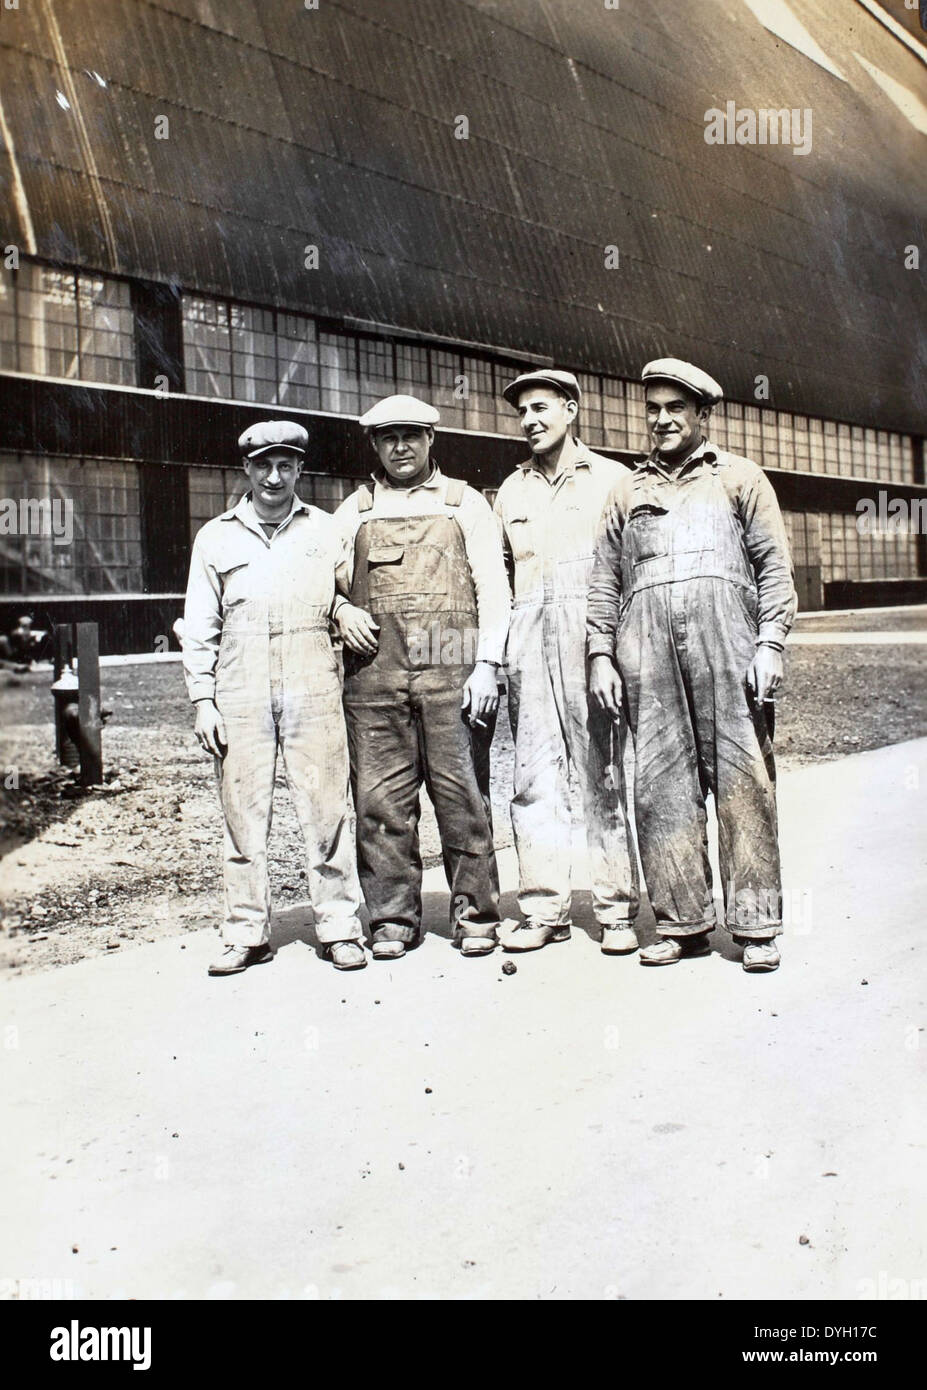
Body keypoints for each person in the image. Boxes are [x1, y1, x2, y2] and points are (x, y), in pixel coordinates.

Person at [587, 358, 798, 972]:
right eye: (652, 409)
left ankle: (757, 928)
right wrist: (602, 654)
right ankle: (683, 924)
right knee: (659, 788)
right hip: (646, 660)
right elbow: (603, 582)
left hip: (728, 651)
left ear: (702, 414)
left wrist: (770, 645)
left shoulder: (741, 479)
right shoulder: (627, 490)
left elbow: (775, 571)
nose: (661, 419)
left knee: (743, 784)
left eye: (675, 408)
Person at [182, 419, 367, 975]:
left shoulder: (326, 530)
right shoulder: (215, 536)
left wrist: (341, 609)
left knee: (327, 806)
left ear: (299, 470)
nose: (274, 476)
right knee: (242, 811)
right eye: (263, 465)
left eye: (285, 465)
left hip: (312, 673)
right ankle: (246, 931)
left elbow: (344, 594)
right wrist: (202, 700)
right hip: (241, 682)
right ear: (247, 469)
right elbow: (199, 624)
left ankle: (338, 926)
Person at [333, 394, 510, 960]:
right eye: (388, 438)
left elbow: (495, 590)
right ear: (374, 446)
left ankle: (476, 913)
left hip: (452, 671)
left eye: (411, 435)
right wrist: (341, 610)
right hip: (374, 676)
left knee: (463, 798)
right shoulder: (354, 510)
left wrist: (488, 665)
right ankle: (390, 918)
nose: (400, 447)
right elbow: (318, 581)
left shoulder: (466, 505)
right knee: (381, 801)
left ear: (431, 439)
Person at [493, 370, 639, 954]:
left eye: (540, 408)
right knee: (533, 781)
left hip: (592, 647)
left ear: (571, 409)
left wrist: (612, 653)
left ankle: (616, 910)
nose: (529, 420)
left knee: (601, 777)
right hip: (528, 650)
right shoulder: (510, 491)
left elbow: (632, 575)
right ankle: (544, 909)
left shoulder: (613, 481)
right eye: (522, 412)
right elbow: (502, 579)